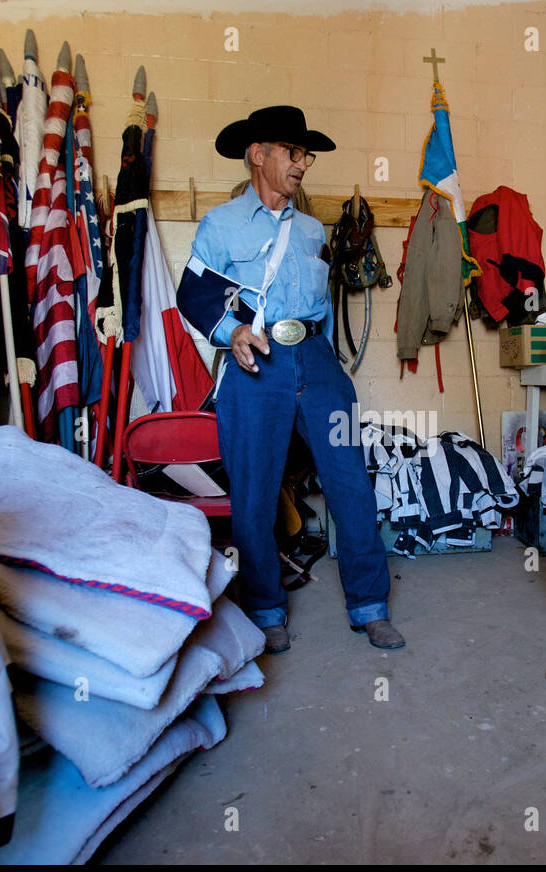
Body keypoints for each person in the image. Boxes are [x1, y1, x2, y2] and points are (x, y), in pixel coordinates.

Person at [177, 106, 403, 655]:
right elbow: (193, 294)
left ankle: (370, 607)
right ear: (259, 155)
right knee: (254, 491)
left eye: (307, 154)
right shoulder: (222, 224)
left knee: (350, 480)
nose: (303, 163)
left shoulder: (310, 229)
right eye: (293, 152)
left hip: (316, 358)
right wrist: (231, 332)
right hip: (258, 361)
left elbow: (320, 303)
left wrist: (321, 353)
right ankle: (267, 609)